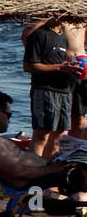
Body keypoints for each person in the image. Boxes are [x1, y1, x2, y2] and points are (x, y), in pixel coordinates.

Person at [22, 0, 87, 139]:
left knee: (79, 121)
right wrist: (44, 61)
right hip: (60, 70)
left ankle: (73, 158)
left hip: (81, 69)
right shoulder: (54, 10)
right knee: (56, 126)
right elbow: (28, 35)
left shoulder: (83, 11)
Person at [0, 90, 75, 191]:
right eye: (9, 115)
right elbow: (15, 171)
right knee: (80, 174)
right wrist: (51, 169)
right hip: (35, 182)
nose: (9, 120)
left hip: (42, 174)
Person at [23, 14, 78, 158]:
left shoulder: (64, 36)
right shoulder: (40, 35)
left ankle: (46, 168)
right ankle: (34, 170)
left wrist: (71, 69)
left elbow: (63, 62)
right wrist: (59, 68)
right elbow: (29, 65)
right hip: (44, 89)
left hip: (64, 90)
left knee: (59, 135)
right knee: (41, 135)